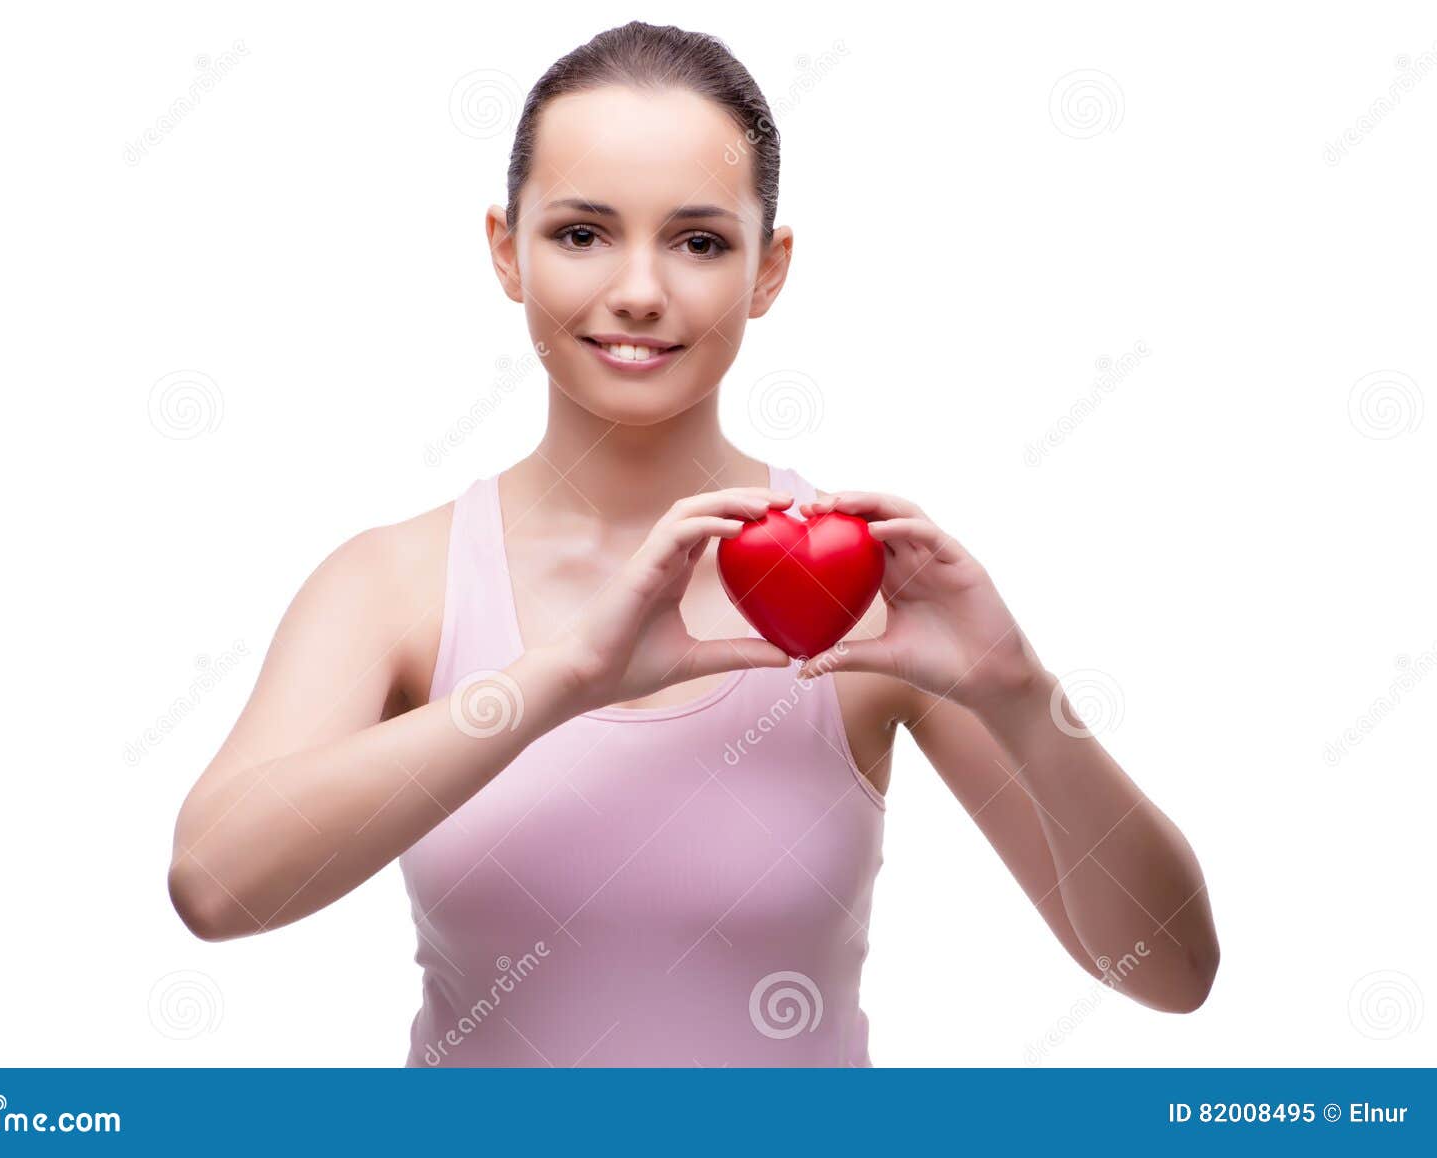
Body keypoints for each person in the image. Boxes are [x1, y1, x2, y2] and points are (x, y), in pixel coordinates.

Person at [167, 20, 1219, 1066]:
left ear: (769, 270)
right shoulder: (394, 583)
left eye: (699, 241)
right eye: (581, 233)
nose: (638, 290)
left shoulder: (870, 595)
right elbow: (215, 888)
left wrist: (1020, 697)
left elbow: (1171, 974)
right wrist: (564, 680)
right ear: (505, 250)